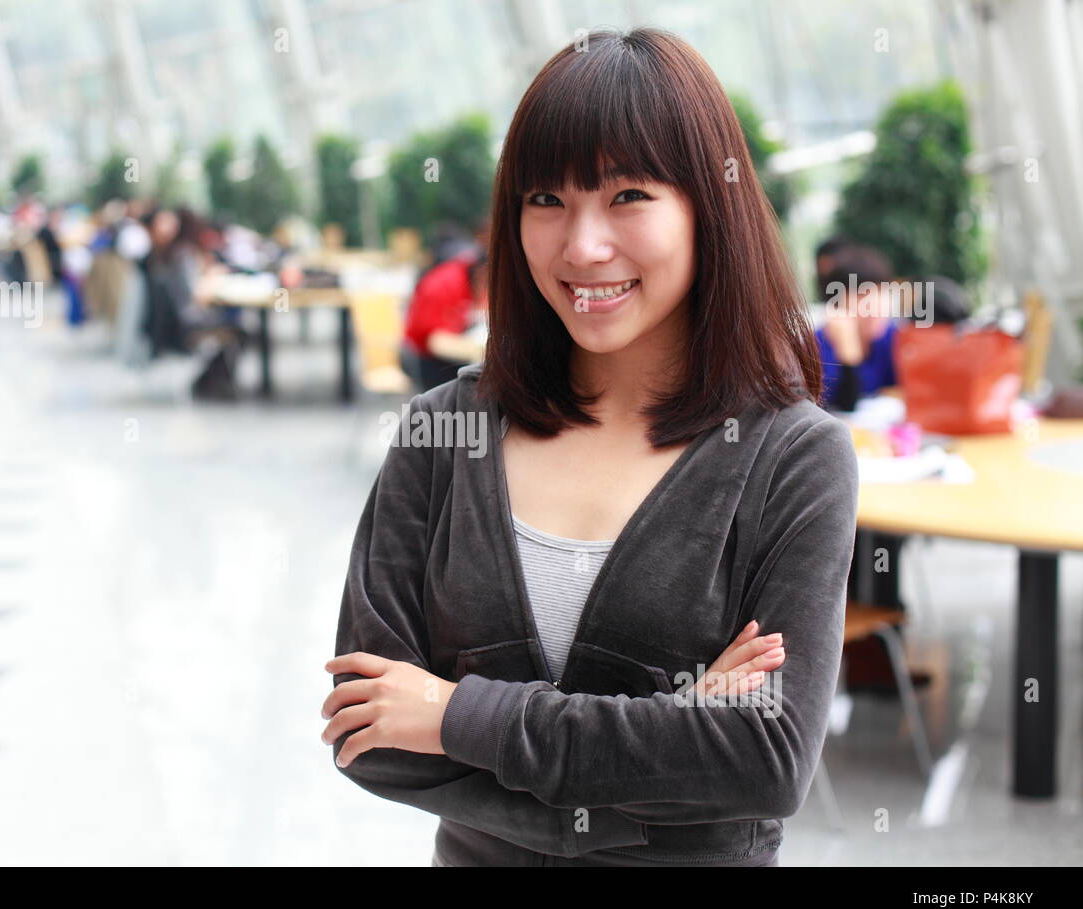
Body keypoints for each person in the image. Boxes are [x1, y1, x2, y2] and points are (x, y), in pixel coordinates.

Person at [321, 27, 858, 866]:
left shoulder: (792, 456)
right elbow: (368, 733)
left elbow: (768, 760)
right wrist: (673, 749)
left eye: (628, 196)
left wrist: (455, 716)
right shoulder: (443, 430)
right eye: (546, 200)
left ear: (706, 208)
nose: (581, 246)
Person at [816, 243, 898, 412]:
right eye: (862, 295)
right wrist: (849, 357)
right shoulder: (816, 348)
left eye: (881, 291)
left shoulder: (891, 337)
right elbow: (840, 409)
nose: (875, 303)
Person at [401, 242, 488, 390]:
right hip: (424, 359)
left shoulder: (476, 279)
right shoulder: (445, 283)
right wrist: (482, 351)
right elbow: (436, 343)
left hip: (452, 351)